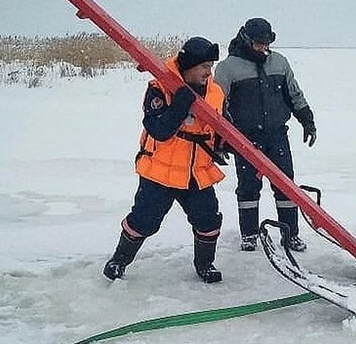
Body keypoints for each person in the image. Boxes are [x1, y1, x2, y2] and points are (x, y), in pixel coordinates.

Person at [103, 36, 228, 283]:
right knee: (143, 221)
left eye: (210, 66)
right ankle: (119, 260)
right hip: (160, 171)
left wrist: (228, 144)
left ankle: (205, 265)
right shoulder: (159, 88)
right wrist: (180, 105)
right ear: (189, 66)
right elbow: (158, 129)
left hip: (196, 172)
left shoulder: (216, 92)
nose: (208, 72)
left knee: (208, 220)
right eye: (204, 66)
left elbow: (224, 127)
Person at [214, 18, 316, 252]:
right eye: (259, 44)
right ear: (246, 40)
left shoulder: (279, 62)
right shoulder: (228, 68)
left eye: (267, 43)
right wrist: (220, 141)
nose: (264, 48)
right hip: (246, 139)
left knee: (286, 186)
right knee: (248, 188)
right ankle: (249, 235)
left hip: (277, 135)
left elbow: (294, 94)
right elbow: (217, 107)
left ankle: (290, 235)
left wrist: (307, 119)